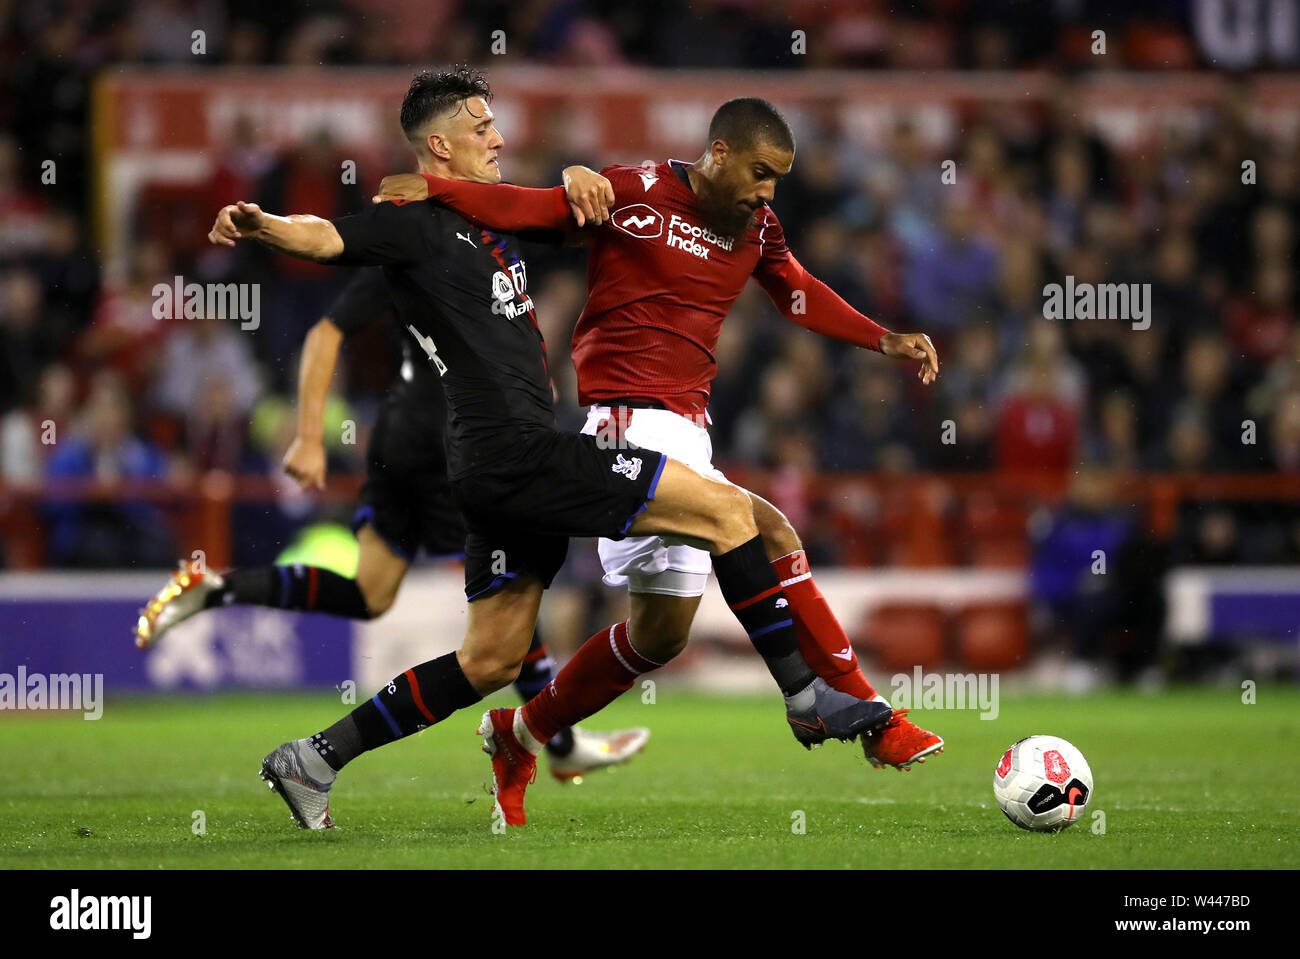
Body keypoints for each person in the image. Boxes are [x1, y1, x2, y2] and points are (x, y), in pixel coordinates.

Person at [206, 67, 893, 829]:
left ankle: (312, 758)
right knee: (730, 514)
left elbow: (549, 204)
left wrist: (576, 173)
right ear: (440, 143)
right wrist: (262, 223)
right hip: (518, 453)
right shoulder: (409, 216)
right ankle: (805, 698)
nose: (497, 136)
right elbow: (330, 237)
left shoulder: (479, 217)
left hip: (492, 464)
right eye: (481, 128)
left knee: (492, 660)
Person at [374, 96, 945, 821]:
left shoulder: (757, 227)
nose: (769, 191)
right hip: (623, 421)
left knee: (659, 635)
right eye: (761, 173)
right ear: (719, 154)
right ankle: (853, 708)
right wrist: (438, 188)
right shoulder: (635, 192)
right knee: (767, 530)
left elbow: (797, 292)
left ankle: (519, 733)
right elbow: (530, 209)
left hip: (689, 428)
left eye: (779, 180)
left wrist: (882, 338)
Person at [133, 264, 650, 782]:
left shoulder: (407, 242)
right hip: (452, 444)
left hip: (398, 436)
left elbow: (332, 321)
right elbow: (327, 330)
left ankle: (217, 587)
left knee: (370, 592)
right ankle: (552, 740)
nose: (492, 175)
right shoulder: (431, 237)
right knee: (507, 608)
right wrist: (309, 434)